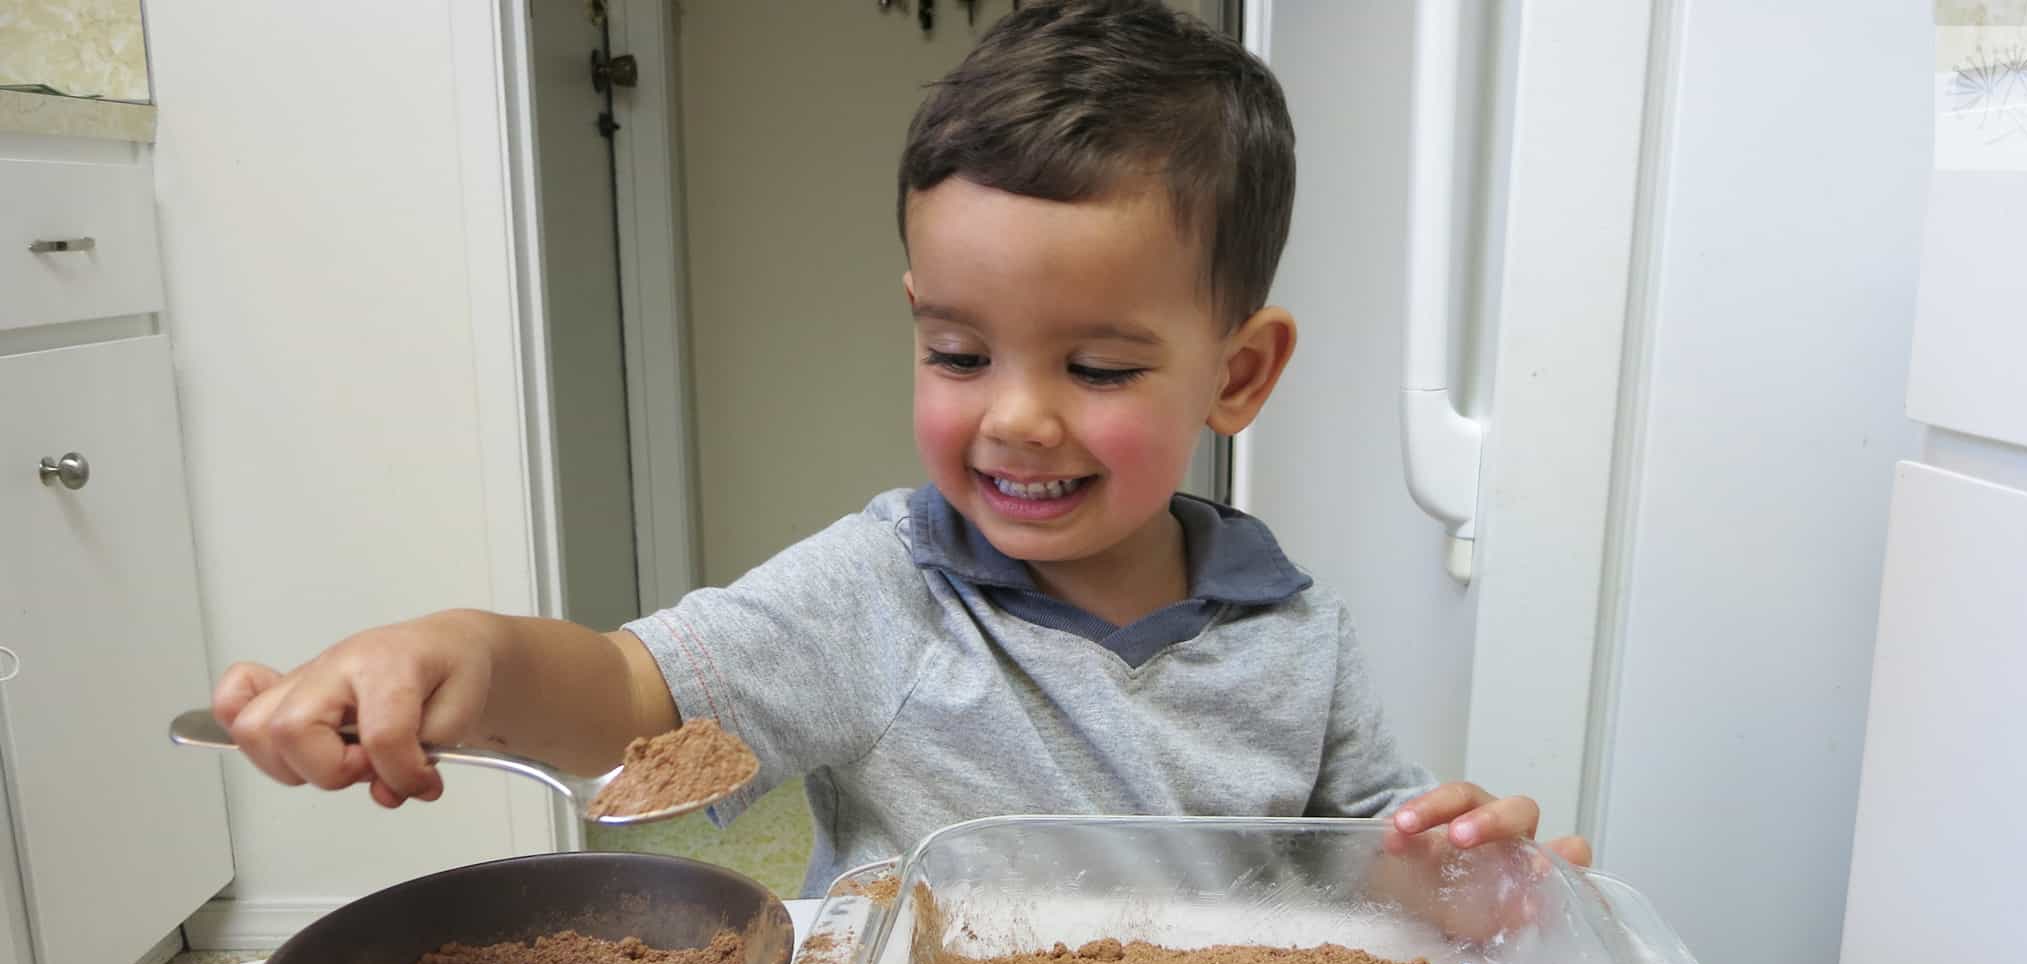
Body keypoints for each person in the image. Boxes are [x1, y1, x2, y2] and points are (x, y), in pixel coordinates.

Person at [211, 0, 1590, 897]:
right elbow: (635, 698)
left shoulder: (1295, 633)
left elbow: (1362, 862)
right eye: (959, 354)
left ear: (1238, 375)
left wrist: (1461, 879)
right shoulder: (884, 594)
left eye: (1098, 367)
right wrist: (469, 654)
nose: (1016, 417)